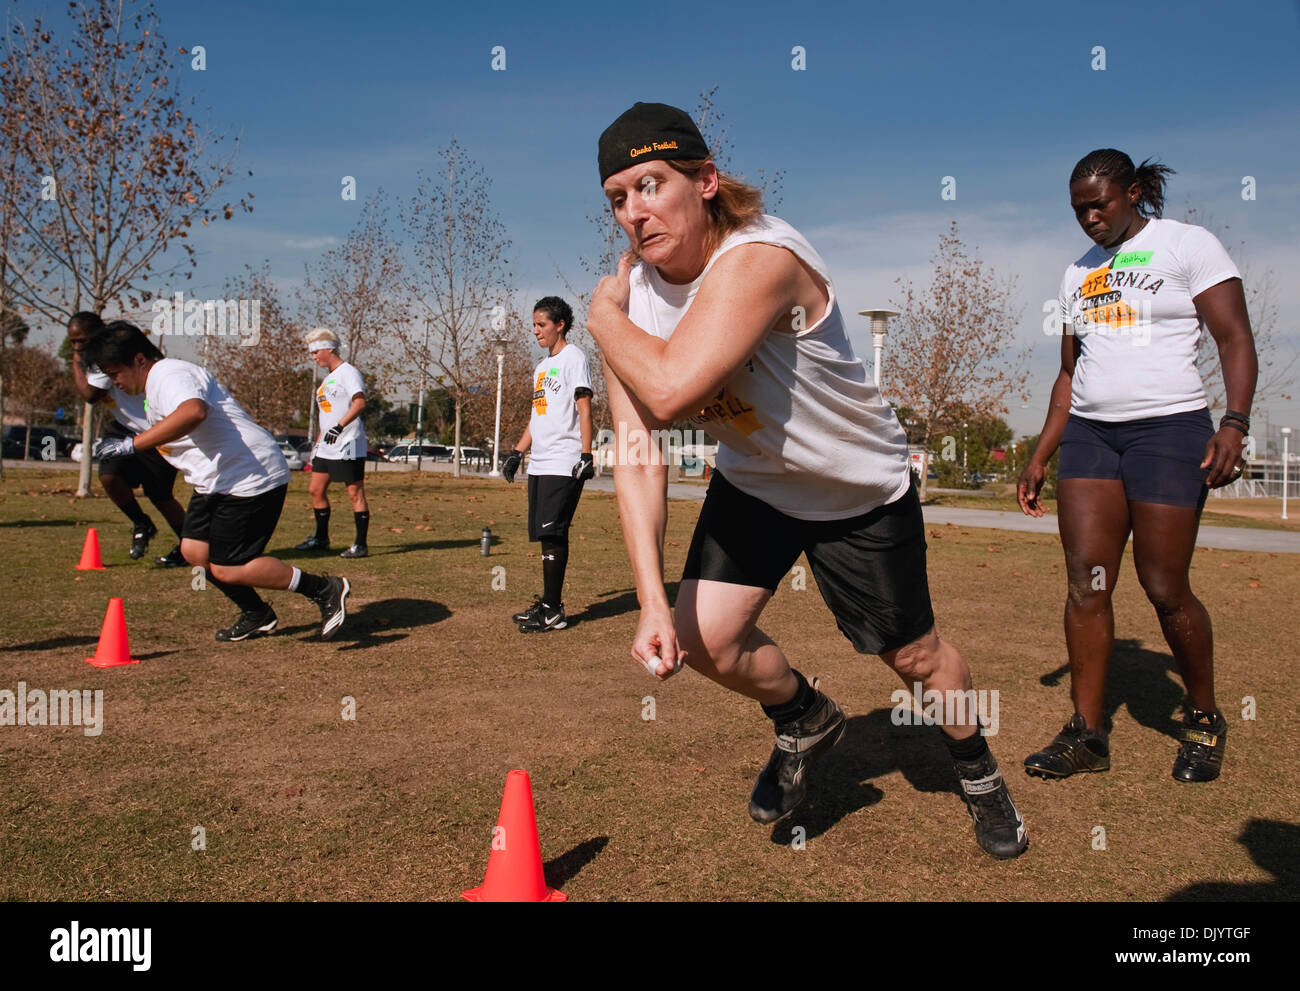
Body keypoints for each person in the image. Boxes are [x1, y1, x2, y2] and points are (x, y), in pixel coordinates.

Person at [585, 102, 1027, 859]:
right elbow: (636, 444)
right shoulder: (637, 304)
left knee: (915, 658)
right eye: (619, 197)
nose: (635, 211)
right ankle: (806, 717)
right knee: (704, 637)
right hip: (756, 481)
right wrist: (652, 603)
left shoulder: (761, 257)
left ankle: (979, 770)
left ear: (707, 181)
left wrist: (600, 318)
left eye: (652, 184)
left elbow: (667, 387)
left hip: (855, 491)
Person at [1018, 149, 1257, 783]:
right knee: (1087, 584)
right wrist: (1041, 453)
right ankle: (1087, 736)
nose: (1089, 217)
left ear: (1131, 193)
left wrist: (1235, 421)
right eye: (1078, 209)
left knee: (1163, 585)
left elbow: (1235, 337)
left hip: (1170, 429)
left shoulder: (1187, 245)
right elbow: (1069, 375)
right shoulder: (1077, 274)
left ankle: (1204, 718)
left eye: (1099, 203)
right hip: (1094, 436)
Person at [83, 321, 351, 642]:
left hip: (251, 474)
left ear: (139, 360)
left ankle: (324, 588)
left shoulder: (167, 375)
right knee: (194, 551)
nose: (116, 383)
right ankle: (257, 614)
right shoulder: (154, 386)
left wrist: (132, 445)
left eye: (116, 374)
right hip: (217, 479)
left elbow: (193, 412)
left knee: (228, 567)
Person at [501, 296, 595, 633]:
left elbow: (584, 406)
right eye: (534, 326)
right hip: (540, 462)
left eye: (542, 325)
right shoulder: (541, 368)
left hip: (564, 459)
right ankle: (548, 604)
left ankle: (553, 610)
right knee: (545, 534)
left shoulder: (575, 358)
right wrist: (517, 452)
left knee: (554, 532)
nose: (536, 331)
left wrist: (586, 454)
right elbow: (536, 416)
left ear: (560, 325)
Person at [67, 312, 186, 566]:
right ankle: (141, 522)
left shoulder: (106, 356)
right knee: (109, 476)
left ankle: (189, 548)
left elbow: (89, 394)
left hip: (154, 430)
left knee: (160, 494)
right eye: (73, 343)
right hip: (123, 428)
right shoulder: (100, 357)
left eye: (81, 341)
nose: (78, 347)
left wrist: (75, 358)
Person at [295, 329, 371, 558]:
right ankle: (321, 538)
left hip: (348, 443)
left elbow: (359, 403)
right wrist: (317, 447)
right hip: (326, 446)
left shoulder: (349, 373)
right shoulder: (327, 379)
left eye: (316, 352)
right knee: (315, 490)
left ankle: (360, 545)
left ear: (329, 349)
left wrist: (340, 426)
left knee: (354, 493)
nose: (314, 357)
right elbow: (325, 418)